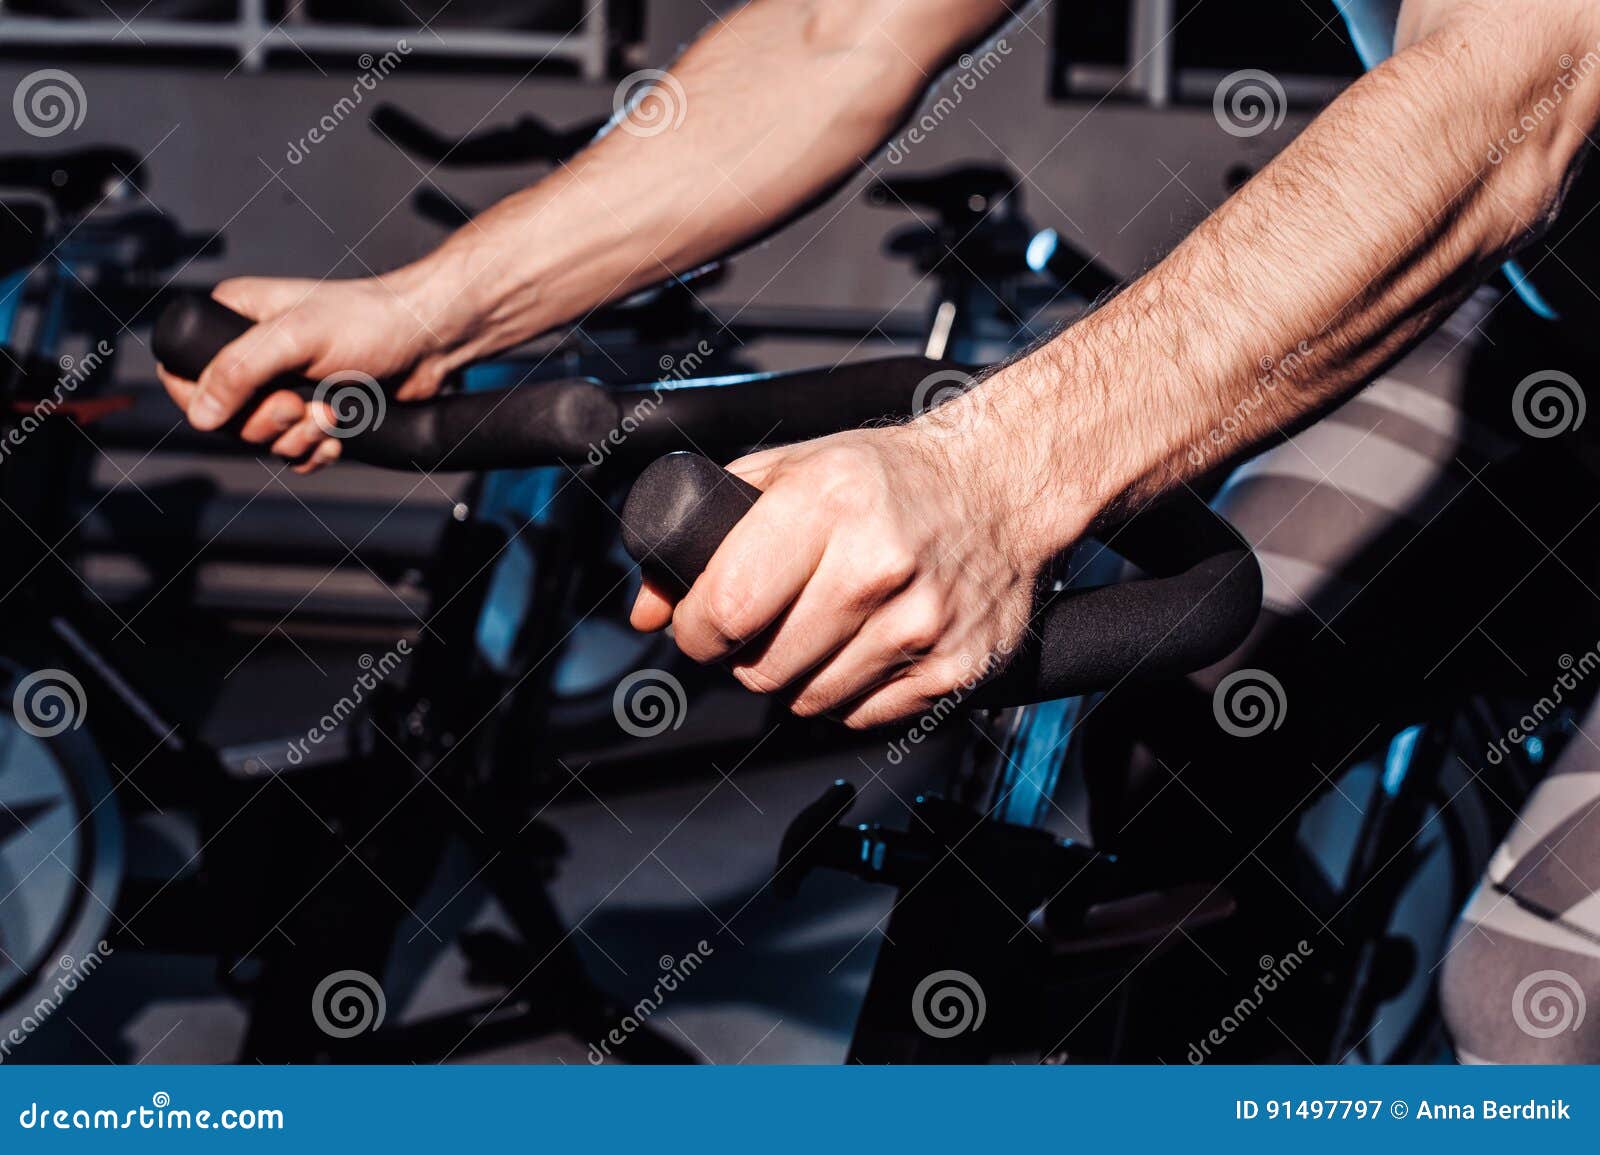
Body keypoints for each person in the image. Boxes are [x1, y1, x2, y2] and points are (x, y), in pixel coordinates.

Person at [159, 0, 1600, 1059]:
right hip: (1538, 319)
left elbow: (1509, 96)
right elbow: (833, 34)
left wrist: (1002, 475)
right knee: (1184, 751)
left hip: (1504, 184)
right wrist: (431, 309)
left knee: (1530, 1004)